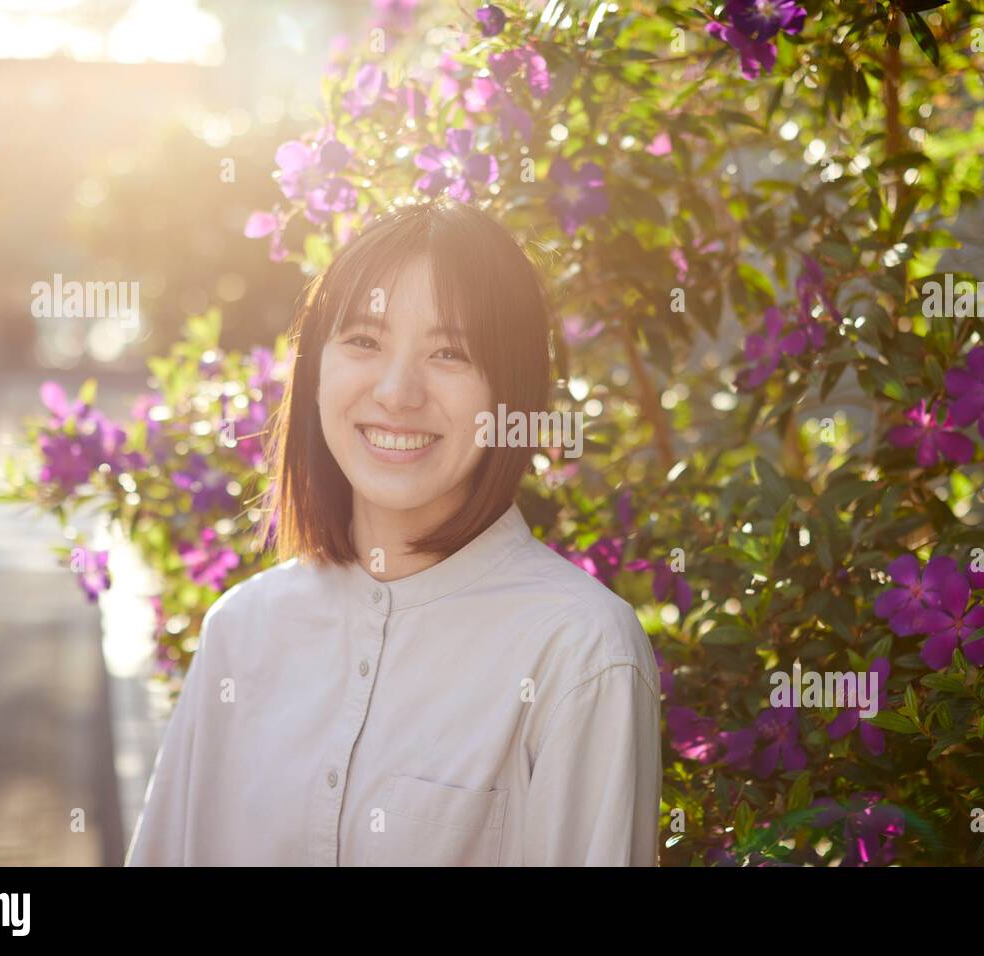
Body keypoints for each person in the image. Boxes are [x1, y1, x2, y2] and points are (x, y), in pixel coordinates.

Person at [125, 199, 662, 866]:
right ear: (315, 371)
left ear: (512, 393)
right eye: (364, 341)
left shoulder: (579, 652)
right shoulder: (243, 630)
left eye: (450, 352)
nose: (397, 391)